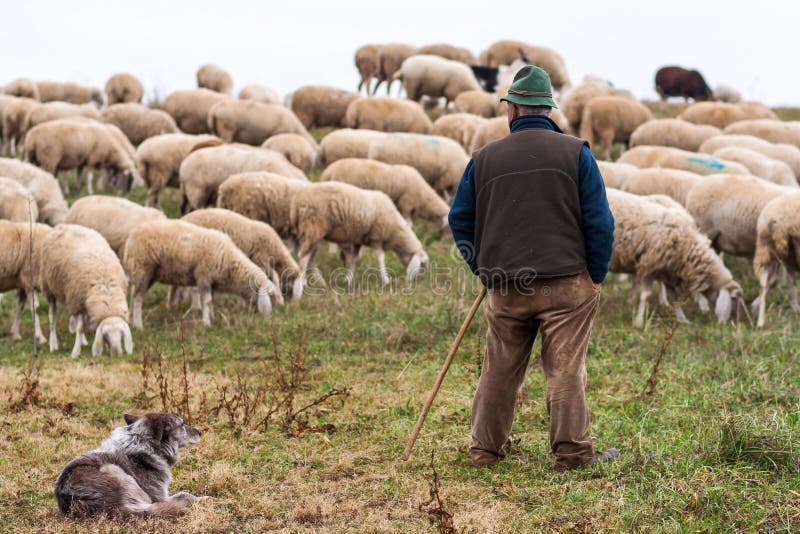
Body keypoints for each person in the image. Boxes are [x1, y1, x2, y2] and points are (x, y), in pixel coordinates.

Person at [448, 65, 617, 470]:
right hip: (567, 285)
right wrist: (595, 275)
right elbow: (600, 221)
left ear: (512, 109)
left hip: (507, 286)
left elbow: (460, 219)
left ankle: (484, 453)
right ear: (548, 109)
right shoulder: (577, 153)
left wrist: (483, 268)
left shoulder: (482, 159)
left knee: (499, 370)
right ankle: (573, 455)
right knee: (564, 370)